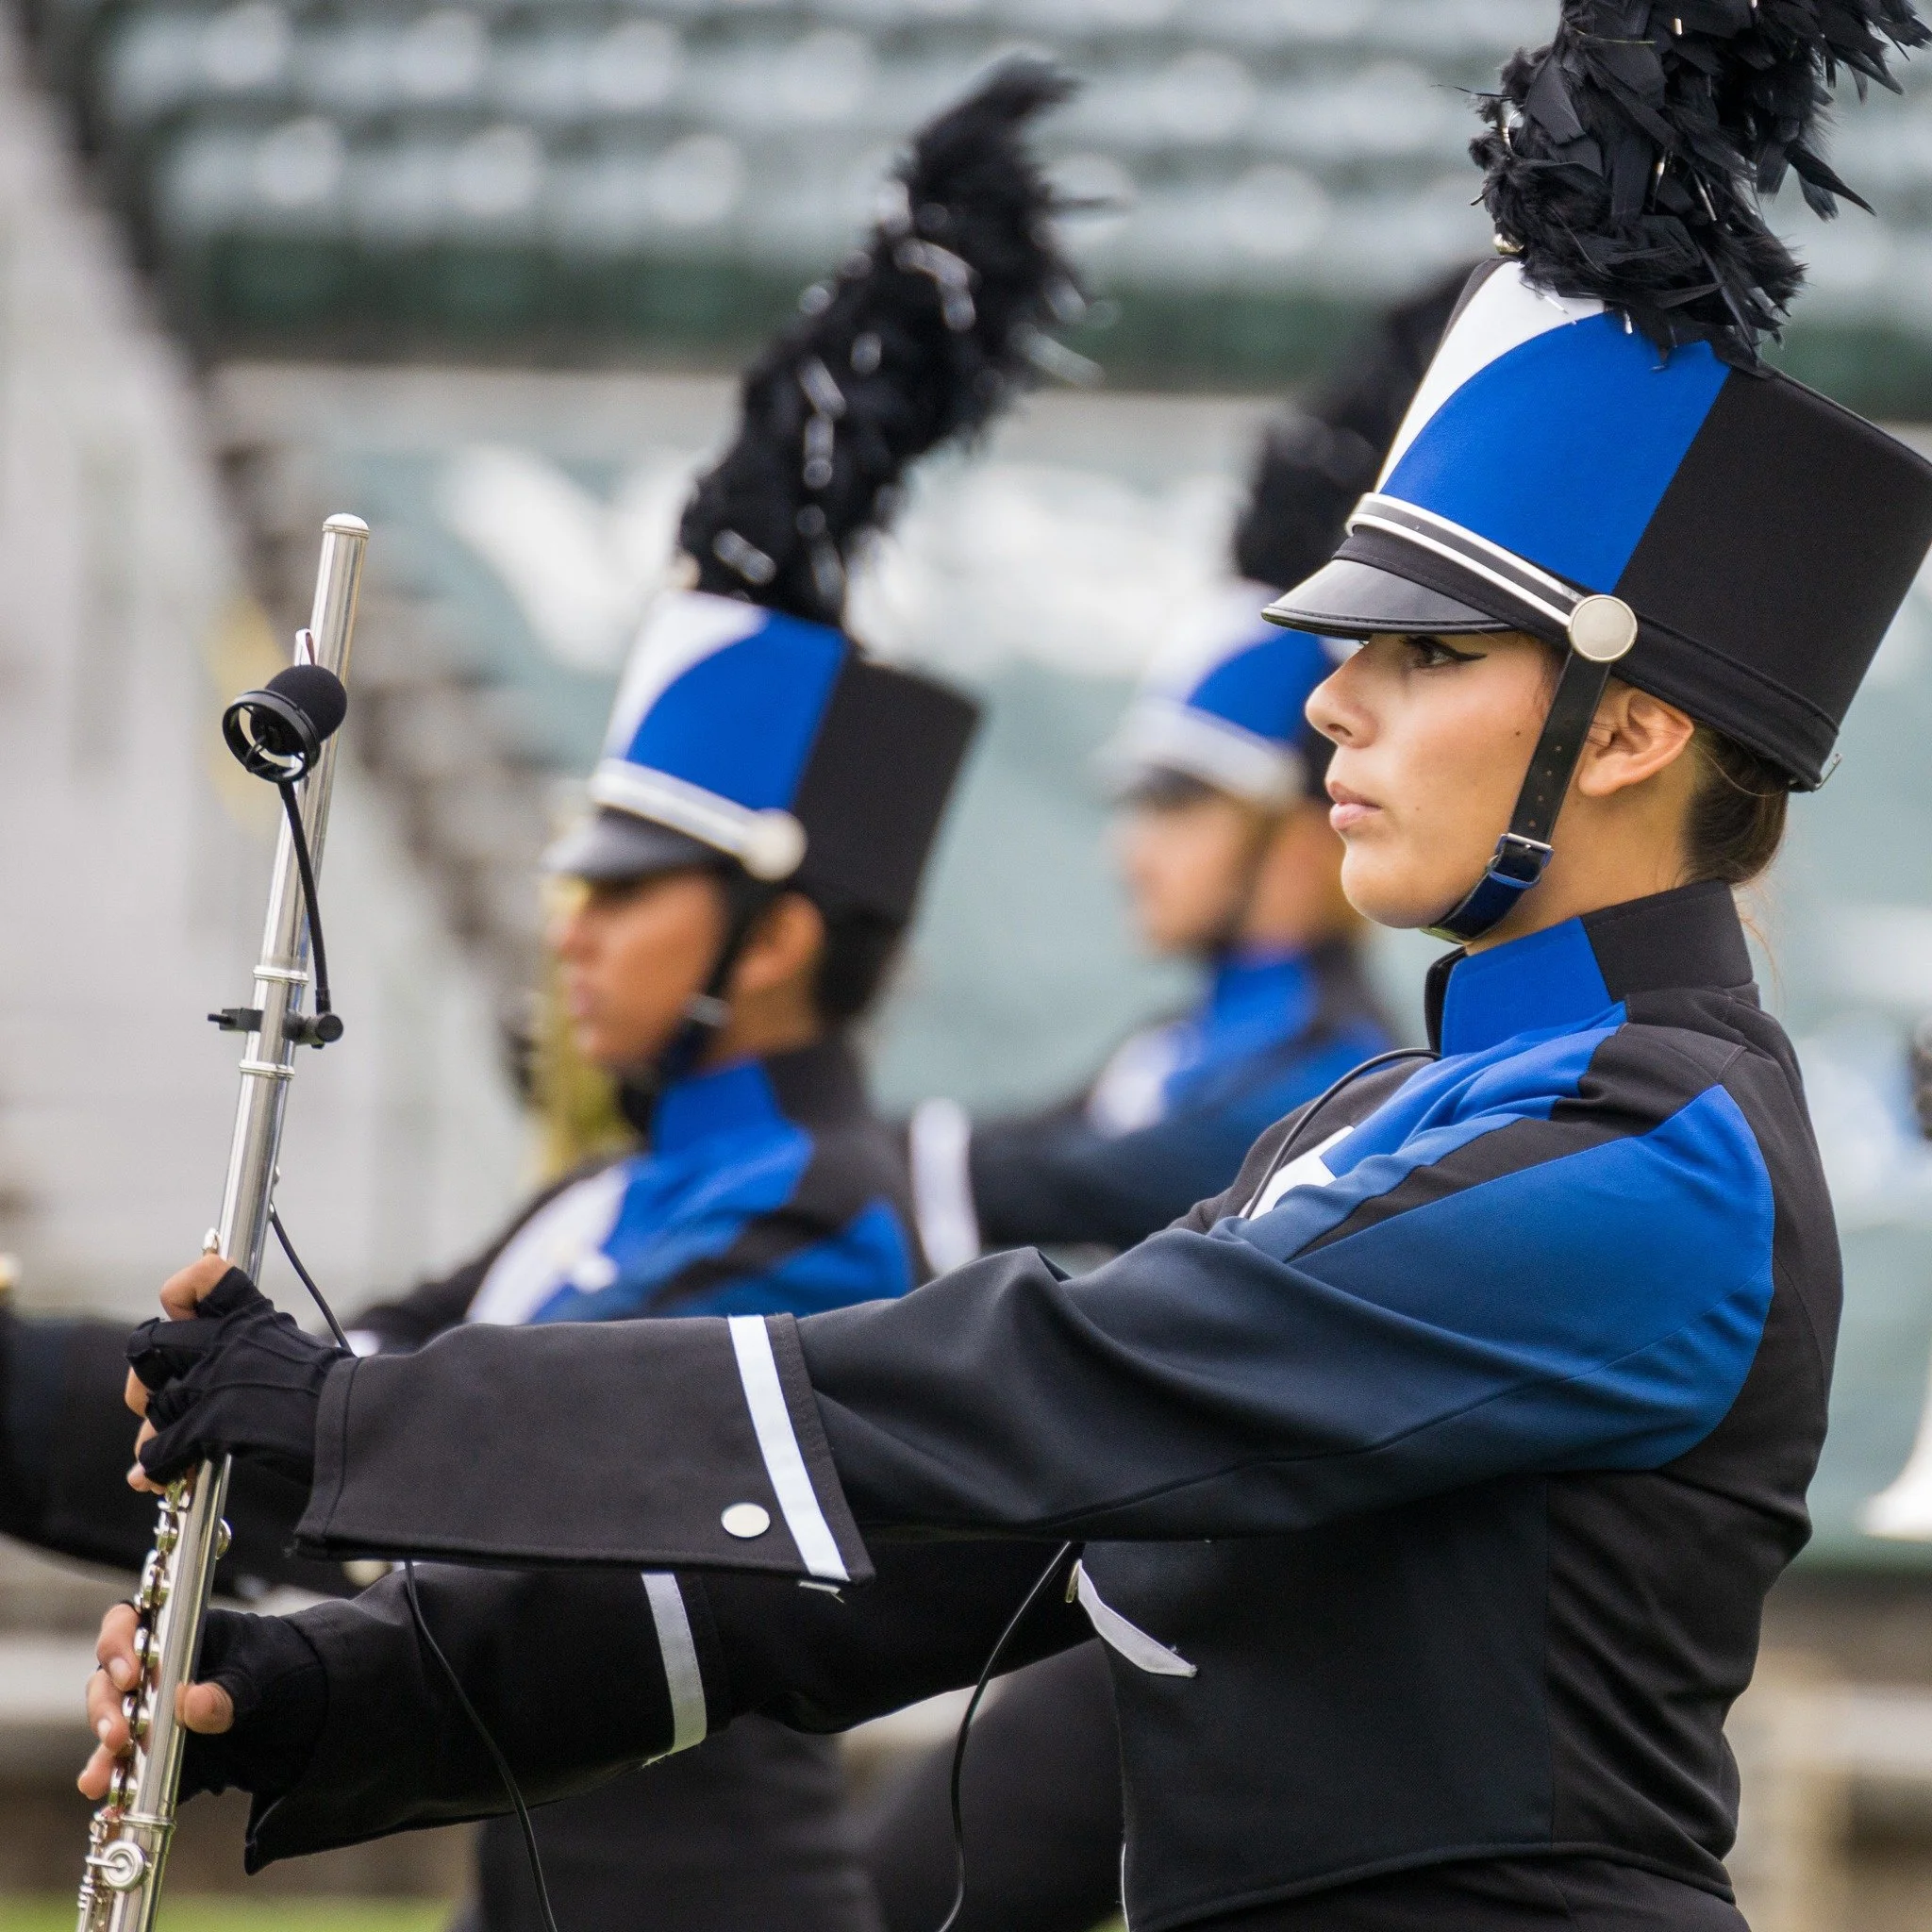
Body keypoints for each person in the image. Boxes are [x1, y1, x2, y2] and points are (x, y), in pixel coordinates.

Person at [87, 8, 1932, 1931]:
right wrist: (317, 1698)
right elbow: (925, 1557)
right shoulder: (1389, 1119)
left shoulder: (1661, 1159)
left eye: (1429, 656)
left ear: (1626, 735)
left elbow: (1051, 1383)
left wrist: (383, 1419)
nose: (1330, 700)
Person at [38, 56, 1089, 1932]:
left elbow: (435, 1465)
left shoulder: (811, 1219)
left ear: (770, 938)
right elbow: (319, 1405)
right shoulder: (609, 1197)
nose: (566, 927)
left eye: (621, 891)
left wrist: (279, 1447)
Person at [874, 275, 1470, 1932]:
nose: (1136, 839)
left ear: (1301, 823)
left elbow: (1035, 1179)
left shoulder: (1317, 1080)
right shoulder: (1180, 1048)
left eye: (1182, 799)